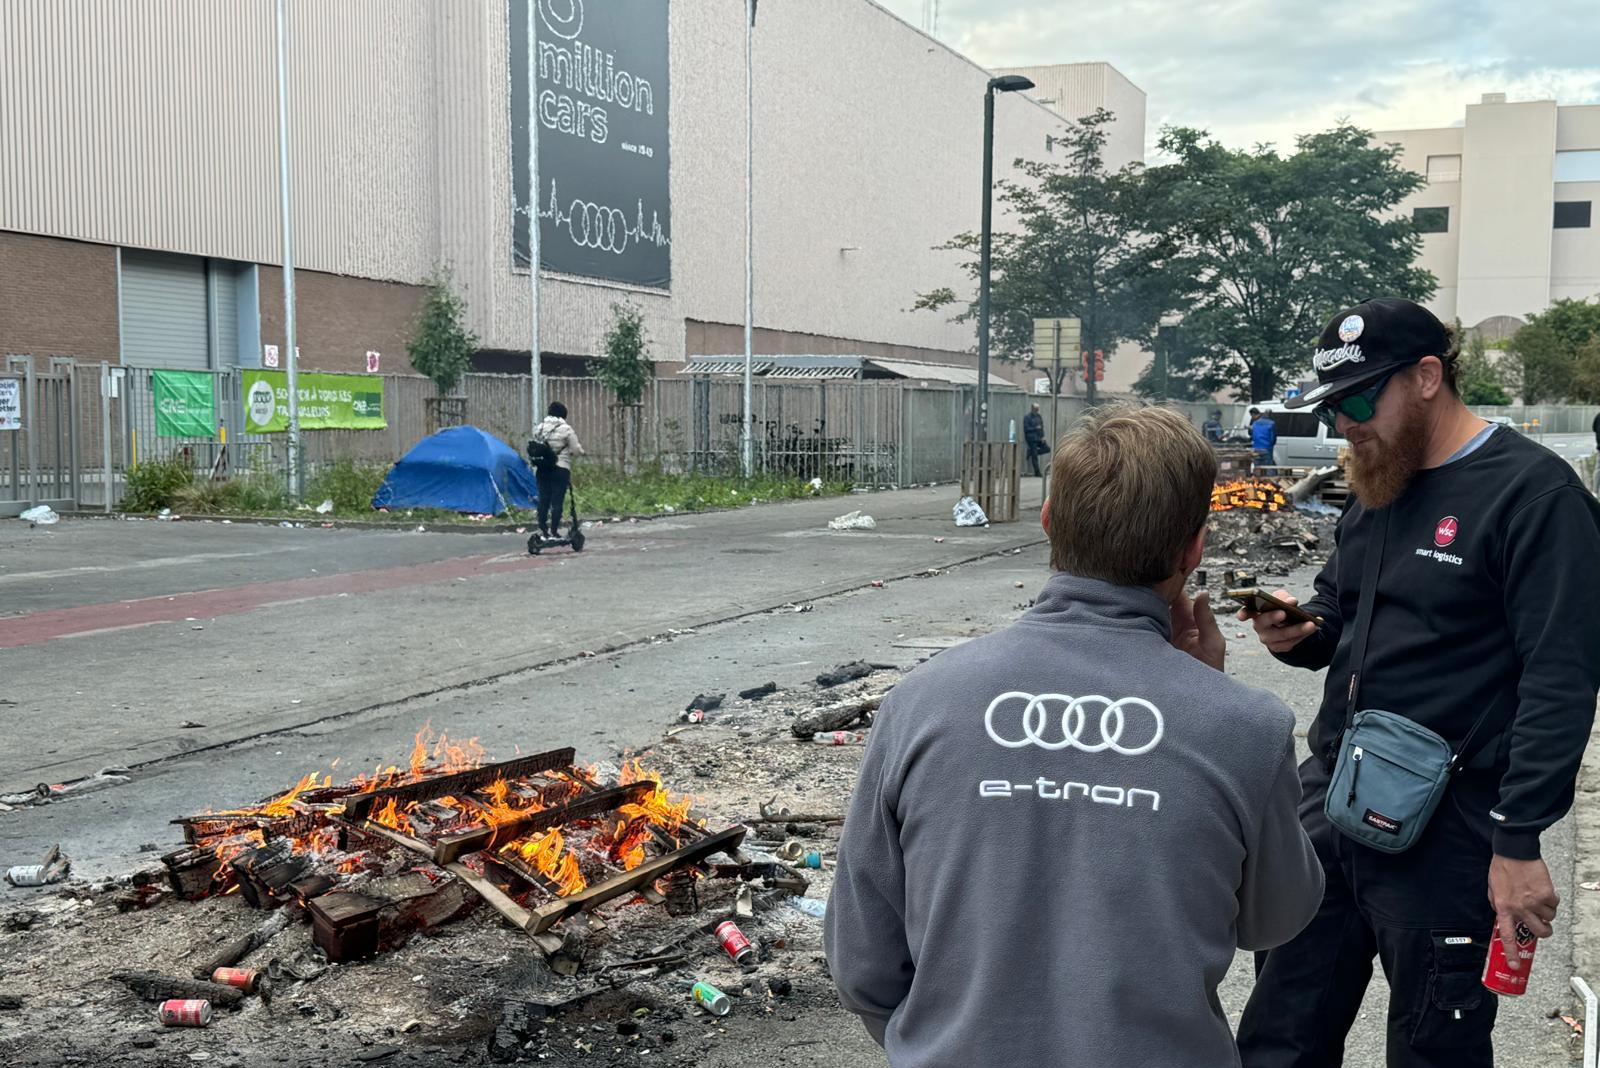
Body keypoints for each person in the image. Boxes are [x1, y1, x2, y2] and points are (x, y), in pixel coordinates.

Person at [826, 405, 1323, 1068]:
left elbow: (862, 961)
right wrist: (1203, 695)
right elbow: (1275, 920)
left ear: (1050, 522)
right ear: (1194, 549)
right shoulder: (1246, 726)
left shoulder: (920, 702)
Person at [1235, 298, 1600, 1067]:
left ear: (1428, 376)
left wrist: (1520, 841)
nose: (1346, 424)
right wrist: (1302, 633)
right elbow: (1343, 608)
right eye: (1336, 405)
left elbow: (1561, 680)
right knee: (1278, 1038)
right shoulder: (1378, 480)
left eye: (1361, 400)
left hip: (1449, 830)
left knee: (1436, 1048)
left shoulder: (1534, 498)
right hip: (1334, 804)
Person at [530, 401, 584, 540]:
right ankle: (554, 531)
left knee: (544, 500)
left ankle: (543, 529)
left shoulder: (539, 428)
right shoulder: (566, 429)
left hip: (542, 469)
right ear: (563, 415)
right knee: (557, 500)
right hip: (560, 468)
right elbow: (576, 449)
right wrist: (580, 452)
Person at [1023, 402, 1046, 477]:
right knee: (1035, 456)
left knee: (1047, 449)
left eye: (1038, 409)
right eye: (1036, 409)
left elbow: (1041, 427)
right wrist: (1035, 428)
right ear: (1032, 409)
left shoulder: (1039, 416)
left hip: (1039, 438)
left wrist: (1043, 436)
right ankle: (1037, 472)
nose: (1037, 410)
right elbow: (1026, 429)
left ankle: (1031, 453)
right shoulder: (1027, 417)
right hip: (1031, 438)